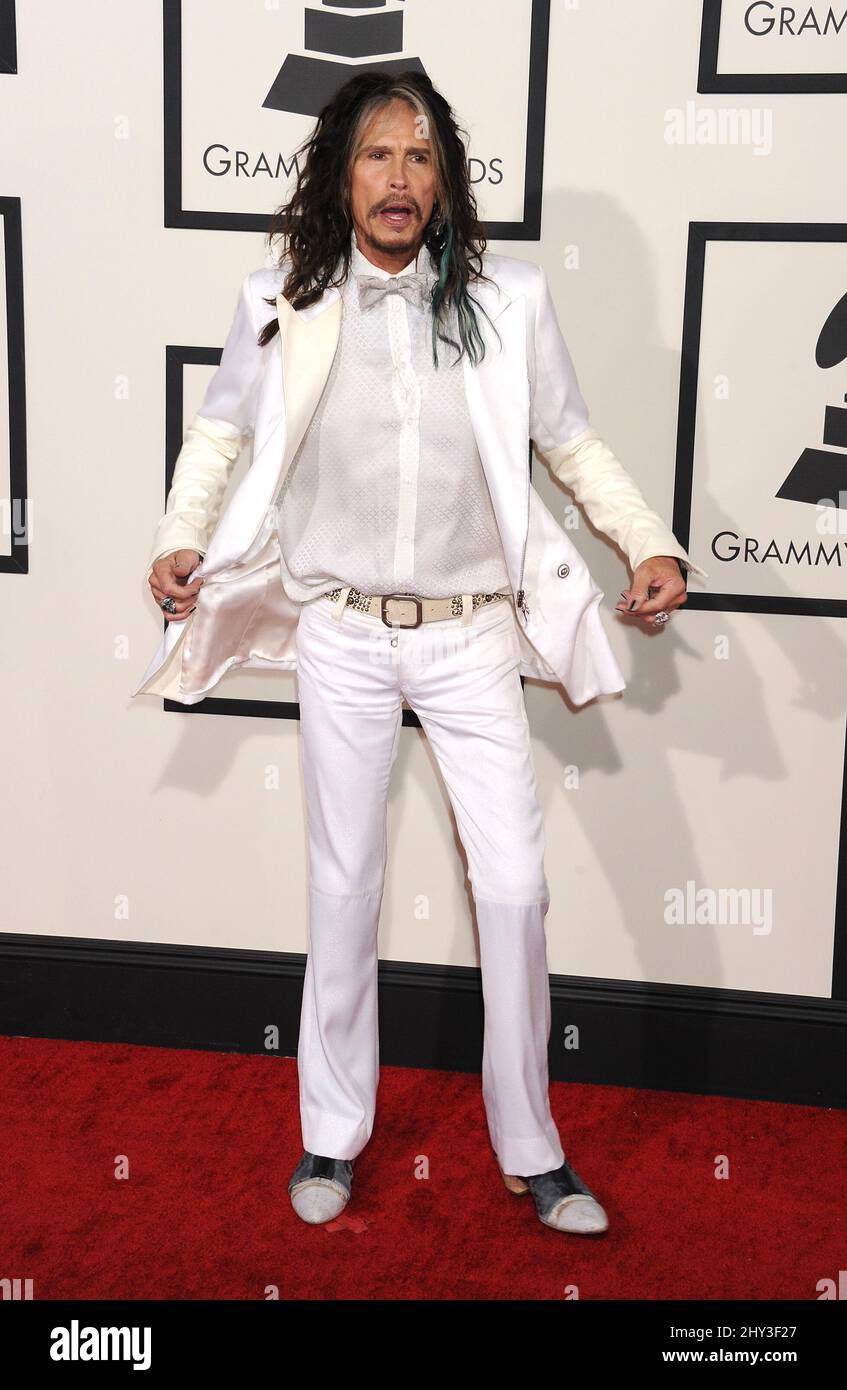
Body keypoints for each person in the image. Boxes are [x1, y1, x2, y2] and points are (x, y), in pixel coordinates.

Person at [143, 70, 706, 1235]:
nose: (397, 179)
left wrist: (646, 542)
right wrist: (179, 537)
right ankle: (330, 1136)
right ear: (339, 176)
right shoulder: (277, 299)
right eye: (374, 157)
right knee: (343, 888)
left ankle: (531, 1149)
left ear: (444, 176)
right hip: (341, 629)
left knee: (513, 889)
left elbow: (572, 442)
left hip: (468, 639)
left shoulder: (511, 301)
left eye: (418, 157)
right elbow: (220, 434)